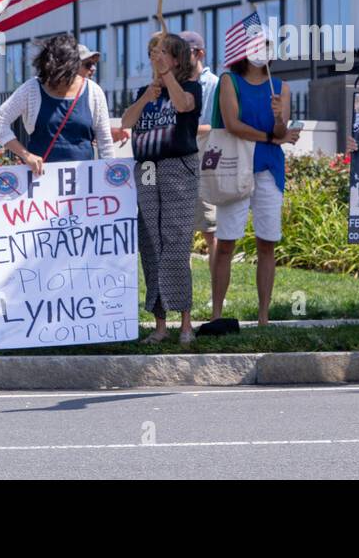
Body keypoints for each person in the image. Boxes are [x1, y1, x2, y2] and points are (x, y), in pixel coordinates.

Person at [209, 38, 301, 327]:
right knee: (225, 243)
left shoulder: (281, 87)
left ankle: (264, 316)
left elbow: (281, 130)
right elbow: (232, 125)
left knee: (267, 243)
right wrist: (273, 138)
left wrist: (278, 120)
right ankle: (217, 315)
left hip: (269, 170)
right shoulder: (229, 80)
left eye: (267, 49)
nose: (262, 54)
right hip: (235, 167)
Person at [122, 32, 202, 345]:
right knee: (151, 243)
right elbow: (128, 122)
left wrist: (167, 78)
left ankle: (185, 323)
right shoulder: (146, 90)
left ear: (177, 58)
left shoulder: (190, 88)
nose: (156, 58)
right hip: (148, 169)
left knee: (176, 243)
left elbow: (184, 106)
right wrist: (145, 98)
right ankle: (159, 324)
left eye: (163, 53)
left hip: (177, 167)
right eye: (153, 53)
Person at [0, 34, 116, 169]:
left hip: (84, 182)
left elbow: (105, 142)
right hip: (42, 180)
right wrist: (26, 155)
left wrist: (110, 177)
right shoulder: (32, 89)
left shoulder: (94, 91)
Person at [180, 31, 219, 266]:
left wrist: (186, 129)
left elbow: (218, 127)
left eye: (185, 53)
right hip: (179, 163)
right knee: (180, 234)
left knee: (210, 231)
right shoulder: (176, 85)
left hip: (205, 164)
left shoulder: (214, 84)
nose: (180, 60)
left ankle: (218, 296)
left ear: (200, 53)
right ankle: (182, 298)